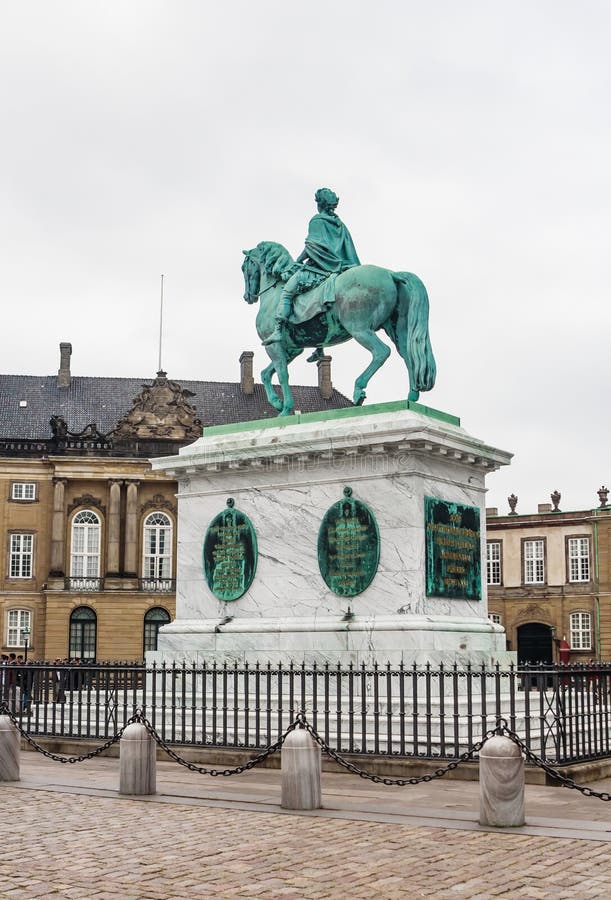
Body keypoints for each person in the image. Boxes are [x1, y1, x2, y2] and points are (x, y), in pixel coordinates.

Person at [263, 188, 360, 345]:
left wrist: (298, 262)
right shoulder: (339, 224)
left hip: (319, 269)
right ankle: (319, 348)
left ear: (319, 204)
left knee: (287, 292)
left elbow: (312, 247)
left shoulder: (317, 221)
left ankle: (278, 330)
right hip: (341, 267)